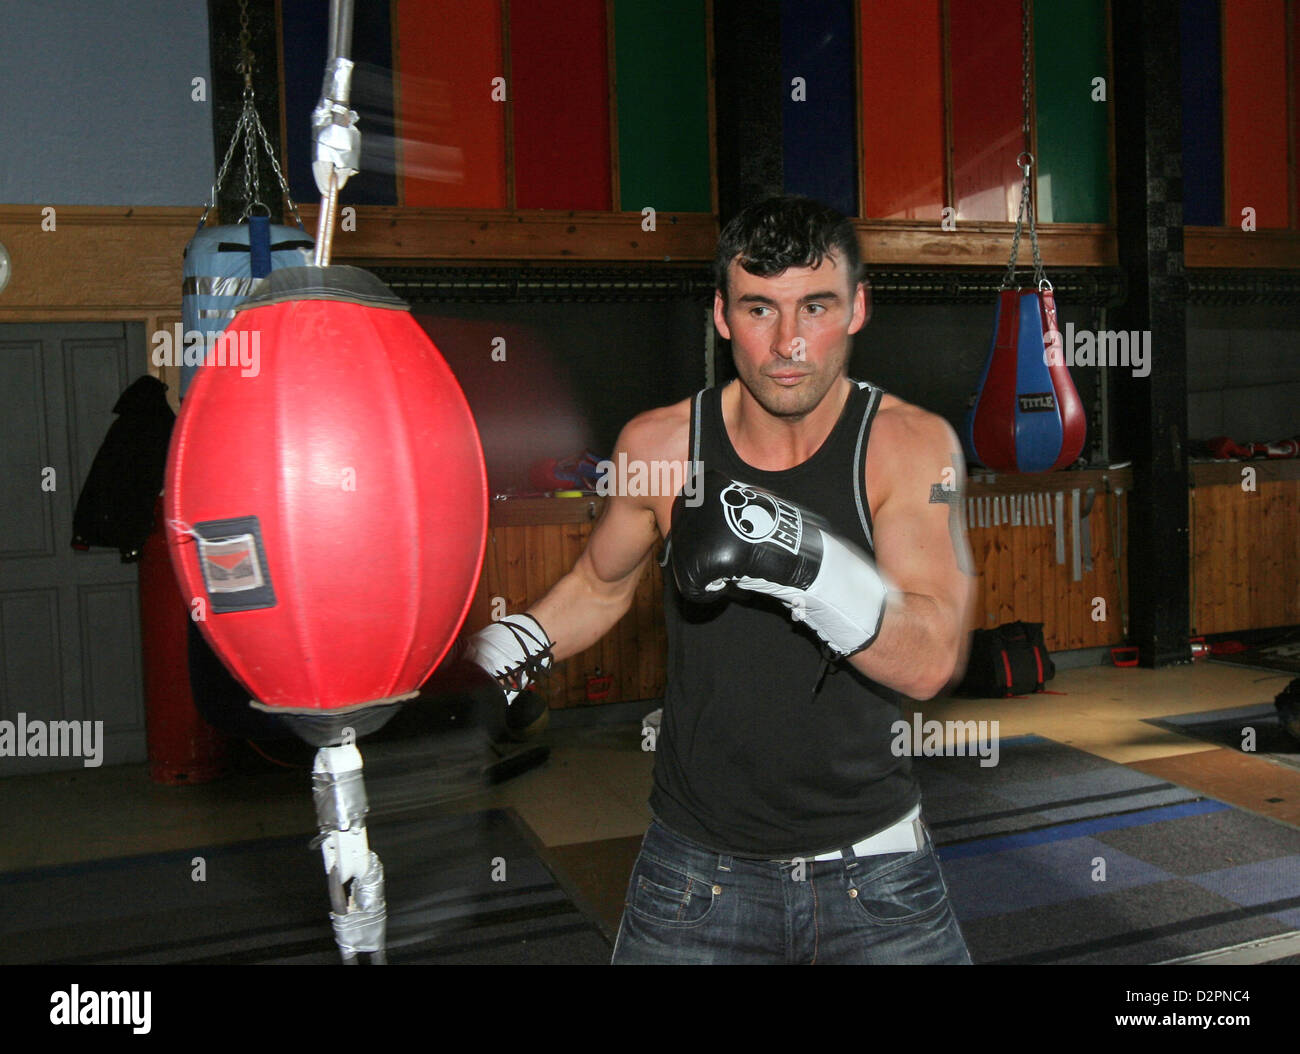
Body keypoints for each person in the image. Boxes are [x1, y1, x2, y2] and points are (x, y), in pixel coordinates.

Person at [464, 196, 977, 964]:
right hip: (694, 876)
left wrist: (804, 562)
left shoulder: (908, 447)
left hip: (875, 874)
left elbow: (932, 657)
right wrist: (507, 644)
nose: (789, 343)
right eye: (760, 309)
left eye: (817, 307)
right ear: (722, 314)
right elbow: (600, 587)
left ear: (859, 308)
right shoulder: (661, 444)